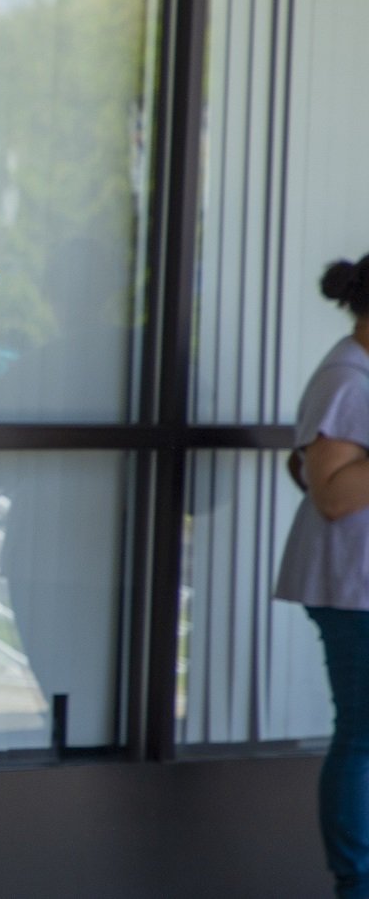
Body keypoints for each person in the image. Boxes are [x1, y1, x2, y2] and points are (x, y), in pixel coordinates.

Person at [275, 251, 369, 899]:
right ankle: (356, 879)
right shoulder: (348, 375)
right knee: (362, 737)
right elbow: (330, 492)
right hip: (352, 587)